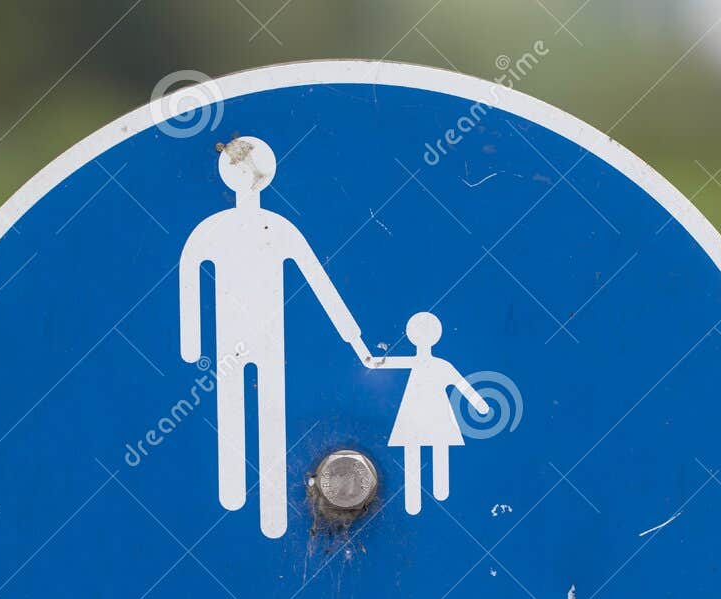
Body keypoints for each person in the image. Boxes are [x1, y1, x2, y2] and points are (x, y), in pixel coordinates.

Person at [178, 136, 370, 539]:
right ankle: (238, 500)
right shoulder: (220, 229)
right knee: (238, 406)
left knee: (265, 411)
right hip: (234, 336)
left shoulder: (271, 228)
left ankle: (268, 511)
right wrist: (190, 343)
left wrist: (351, 334)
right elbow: (189, 275)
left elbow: (317, 279)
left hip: (266, 336)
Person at [367, 312, 489, 514]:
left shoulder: (441, 365)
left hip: (431, 412)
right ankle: (417, 501)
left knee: (430, 447)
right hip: (418, 412)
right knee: (417, 448)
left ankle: (434, 495)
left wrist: (480, 404)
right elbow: (376, 362)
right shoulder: (435, 364)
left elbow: (461, 385)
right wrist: (481, 406)